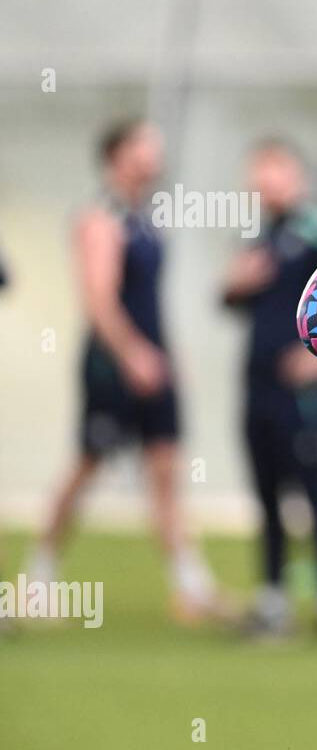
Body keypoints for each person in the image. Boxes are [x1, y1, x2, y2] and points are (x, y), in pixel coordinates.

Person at [27, 120, 221, 622]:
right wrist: (133, 354)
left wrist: (166, 354)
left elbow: (150, 301)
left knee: (166, 472)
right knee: (88, 465)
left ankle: (191, 586)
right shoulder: (100, 217)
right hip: (113, 366)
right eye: (143, 146)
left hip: (153, 363)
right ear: (117, 155)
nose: (154, 155)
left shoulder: (145, 219)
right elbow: (99, 298)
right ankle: (37, 578)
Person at [222, 139, 317, 637]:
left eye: (274, 169)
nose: (263, 180)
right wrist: (237, 282)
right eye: (258, 170)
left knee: (312, 492)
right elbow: (229, 300)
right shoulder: (258, 234)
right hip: (258, 382)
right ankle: (273, 599)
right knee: (267, 491)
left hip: (303, 389)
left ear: (296, 174)